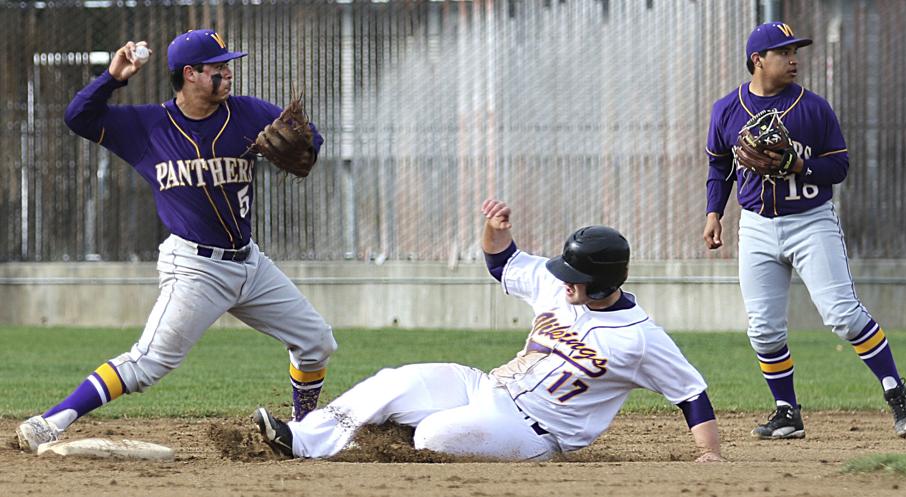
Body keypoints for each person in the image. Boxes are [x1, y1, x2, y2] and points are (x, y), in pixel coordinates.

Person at [16, 30, 337, 452]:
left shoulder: (247, 113)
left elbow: (308, 136)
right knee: (147, 363)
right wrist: (113, 78)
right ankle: (49, 422)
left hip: (250, 264)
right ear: (190, 74)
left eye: (228, 65)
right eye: (218, 67)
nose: (228, 73)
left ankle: (302, 432)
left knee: (316, 342)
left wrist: (308, 146)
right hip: (195, 268)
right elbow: (78, 117)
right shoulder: (147, 126)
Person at [253, 198, 723, 462]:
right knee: (394, 382)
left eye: (575, 275)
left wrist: (710, 454)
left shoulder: (639, 337)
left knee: (433, 435)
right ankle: (303, 439)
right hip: (486, 386)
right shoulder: (557, 286)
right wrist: (494, 229)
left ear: (602, 281)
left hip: (533, 433)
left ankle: (380, 440)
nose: (563, 280)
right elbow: (502, 263)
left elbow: (690, 393)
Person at [702, 22, 906, 439]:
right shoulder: (726, 109)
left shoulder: (814, 108)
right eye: (784, 52)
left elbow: (839, 167)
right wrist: (714, 212)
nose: (793, 59)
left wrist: (798, 165)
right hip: (756, 225)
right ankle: (787, 411)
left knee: (842, 315)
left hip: (811, 221)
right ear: (757, 60)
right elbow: (719, 164)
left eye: (795, 51)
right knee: (763, 328)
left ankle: (897, 391)